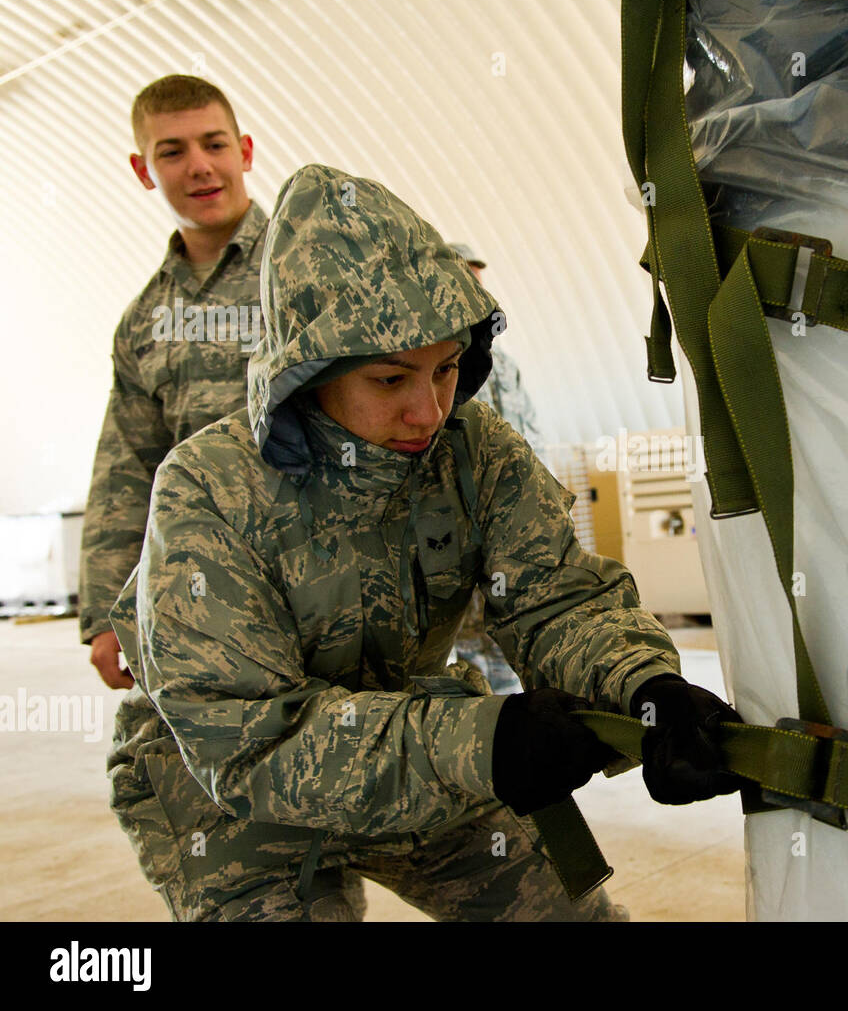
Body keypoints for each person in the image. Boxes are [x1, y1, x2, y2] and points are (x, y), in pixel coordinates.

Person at [106, 163, 741, 922]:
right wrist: (487, 744)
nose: (428, 410)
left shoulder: (475, 449)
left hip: (413, 750)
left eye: (446, 369)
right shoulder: (207, 486)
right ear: (305, 374)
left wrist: (645, 688)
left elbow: (555, 600)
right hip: (230, 799)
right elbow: (247, 741)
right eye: (389, 380)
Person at [80, 74, 265, 690]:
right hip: (203, 595)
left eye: (214, 144)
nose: (199, 167)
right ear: (142, 169)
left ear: (244, 151)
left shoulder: (311, 268)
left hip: (337, 581)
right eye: (172, 151)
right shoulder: (144, 321)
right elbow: (128, 467)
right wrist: (109, 608)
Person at [445, 242, 539, 694]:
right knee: (468, 641)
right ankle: (484, 730)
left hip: (509, 522)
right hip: (458, 526)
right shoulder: (436, 370)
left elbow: (531, 435)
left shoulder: (506, 366)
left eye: (478, 283)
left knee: (513, 629)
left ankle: (512, 718)